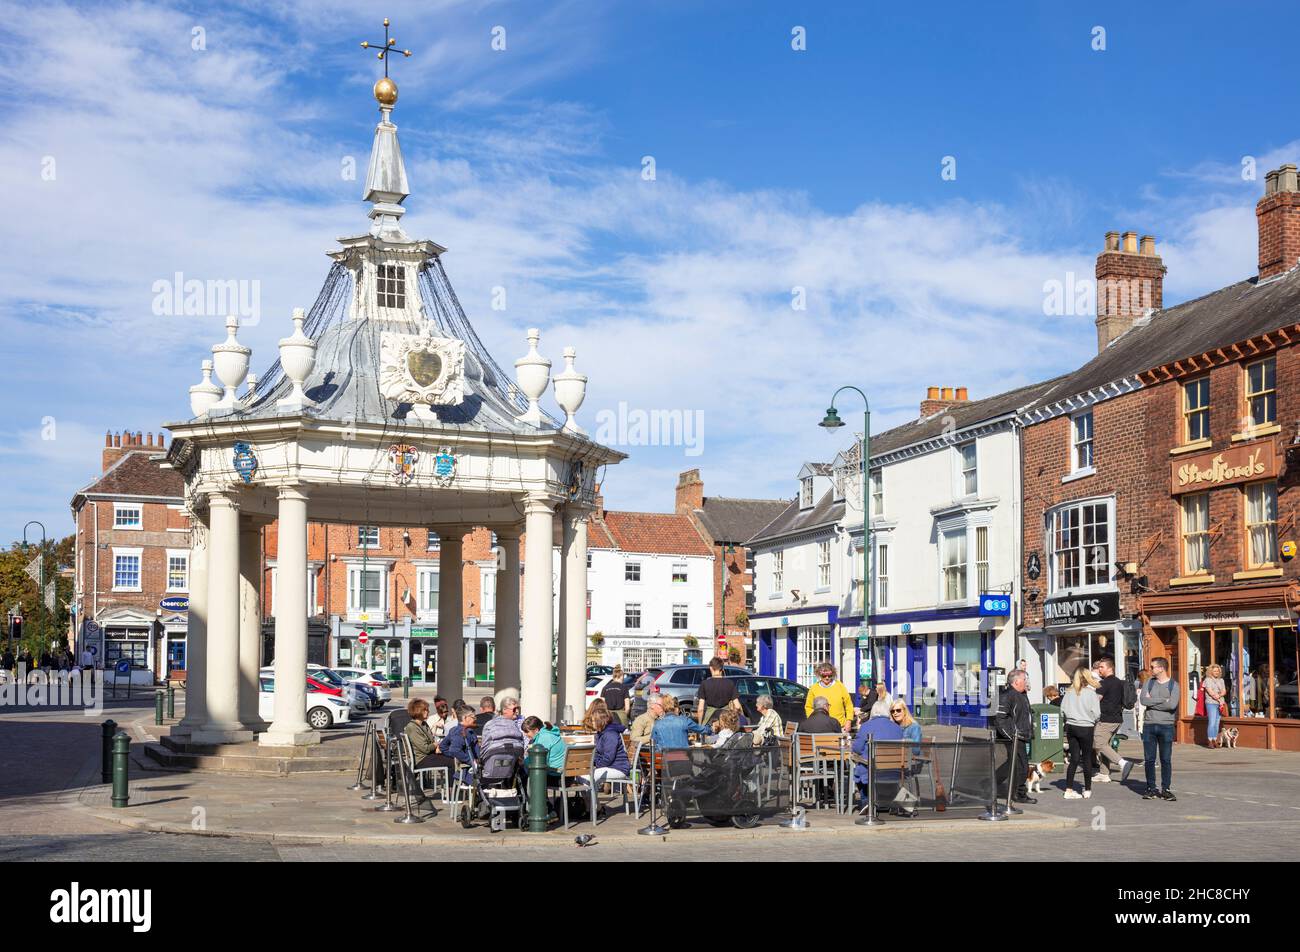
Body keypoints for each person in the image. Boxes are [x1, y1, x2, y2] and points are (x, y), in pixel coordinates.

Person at [853, 700, 905, 809]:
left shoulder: (866, 726)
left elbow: (857, 748)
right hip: (894, 770)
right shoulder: (897, 728)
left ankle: (866, 803)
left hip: (872, 770)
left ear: (873, 712)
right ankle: (885, 801)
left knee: (859, 768)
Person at [1140, 658, 1179, 801]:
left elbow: (1172, 705)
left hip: (1166, 726)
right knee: (1149, 759)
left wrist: (1153, 701)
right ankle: (1151, 788)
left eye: (1153, 667)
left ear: (1161, 668)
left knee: (1165, 759)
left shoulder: (1174, 685)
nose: (1151, 669)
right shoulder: (1148, 683)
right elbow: (1143, 701)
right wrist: (1163, 700)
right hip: (1149, 725)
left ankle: (1166, 789)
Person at [995, 669, 1035, 804]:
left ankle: (992, 785)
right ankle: (1019, 794)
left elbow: (1024, 715)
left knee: (1013, 764)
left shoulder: (1021, 694)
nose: (1026, 682)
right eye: (1025, 680)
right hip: (1014, 737)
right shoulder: (1007, 695)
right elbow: (1000, 718)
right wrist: (1012, 735)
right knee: (1022, 766)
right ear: (1017, 681)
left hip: (1022, 735)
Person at [1060, 667, 1101, 799]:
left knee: (1074, 759)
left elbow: (1062, 711)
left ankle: (1069, 789)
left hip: (1071, 726)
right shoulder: (1091, 694)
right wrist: (1091, 719)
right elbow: (1097, 713)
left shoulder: (1068, 693)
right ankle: (1087, 789)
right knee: (1087, 758)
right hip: (1086, 727)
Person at [1092, 656, 1134, 782]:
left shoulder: (1104, 683)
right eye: (1099, 667)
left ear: (1110, 668)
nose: (1099, 669)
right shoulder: (1119, 682)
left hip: (1106, 718)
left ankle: (1122, 763)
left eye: (1102, 667)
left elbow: (1096, 700)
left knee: (1098, 743)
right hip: (1117, 718)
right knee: (1105, 745)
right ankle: (1104, 773)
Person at [402, 698, 459, 788]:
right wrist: (436, 744)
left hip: (428, 755)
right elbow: (425, 748)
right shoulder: (412, 727)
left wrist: (437, 746)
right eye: (426, 710)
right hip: (422, 759)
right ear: (419, 711)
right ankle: (451, 791)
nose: (428, 711)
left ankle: (453, 789)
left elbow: (431, 741)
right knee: (452, 763)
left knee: (453, 756)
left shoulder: (424, 724)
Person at [804, 662, 853, 732]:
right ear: (819, 675)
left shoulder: (840, 686)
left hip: (840, 726)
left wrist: (848, 721)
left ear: (833, 674)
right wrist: (813, 720)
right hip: (820, 726)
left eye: (829, 675)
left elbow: (848, 705)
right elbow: (808, 707)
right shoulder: (814, 688)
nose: (827, 678)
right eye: (824, 676)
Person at [586, 707, 631, 784]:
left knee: (588, 776)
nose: (592, 723)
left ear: (600, 721)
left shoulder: (610, 734)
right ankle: (590, 796)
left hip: (618, 768)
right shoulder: (600, 733)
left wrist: (596, 765)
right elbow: (598, 753)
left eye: (593, 721)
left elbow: (608, 758)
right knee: (582, 775)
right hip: (610, 766)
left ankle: (590, 796)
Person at [695, 657, 738, 725]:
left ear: (711, 668)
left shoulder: (705, 684)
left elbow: (700, 709)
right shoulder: (730, 683)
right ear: (722, 669)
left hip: (710, 720)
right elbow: (737, 706)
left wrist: (700, 724)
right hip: (725, 721)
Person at [441, 708, 480, 782]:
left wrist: (458, 758)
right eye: (473, 717)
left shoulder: (454, 729)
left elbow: (443, 746)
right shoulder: (464, 731)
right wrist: (469, 760)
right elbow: (454, 750)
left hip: (469, 767)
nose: (475, 719)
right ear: (465, 718)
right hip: (469, 772)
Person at [1204, 663, 1227, 748]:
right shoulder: (1207, 680)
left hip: (1220, 703)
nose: (1216, 672)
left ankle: (1215, 740)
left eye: (1218, 671)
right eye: (1214, 671)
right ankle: (1210, 740)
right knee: (1212, 722)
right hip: (1211, 703)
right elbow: (1210, 691)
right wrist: (1217, 696)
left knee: (1217, 722)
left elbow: (1224, 691)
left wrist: (1220, 696)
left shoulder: (1221, 680)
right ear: (1211, 671)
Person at [1134, 667, 1150, 733]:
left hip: (1140, 706)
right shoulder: (1148, 683)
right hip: (1142, 706)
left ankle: (1140, 732)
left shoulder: (1137, 683)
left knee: (1139, 719)